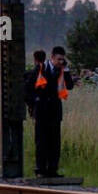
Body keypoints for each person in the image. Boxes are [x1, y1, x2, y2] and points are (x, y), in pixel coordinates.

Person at [28, 46, 73, 178]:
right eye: (59, 59)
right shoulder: (41, 68)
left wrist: (66, 69)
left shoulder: (61, 71)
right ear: (52, 57)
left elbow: (69, 85)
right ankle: (40, 169)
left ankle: (53, 169)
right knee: (41, 141)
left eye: (62, 60)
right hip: (42, 110)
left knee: (54, 141)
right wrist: (33, 104)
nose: (60, 62)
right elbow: (30, 87)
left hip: (54, 111)